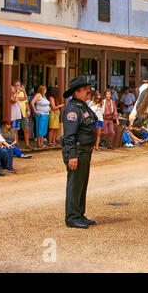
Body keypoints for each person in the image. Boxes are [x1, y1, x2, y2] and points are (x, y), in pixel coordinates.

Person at [62, 76, 98, 229]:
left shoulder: (82, 106)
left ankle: (79, 214)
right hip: (77, 151)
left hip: (85, 152)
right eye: (85, 90)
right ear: (77, 92)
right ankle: (72, 217)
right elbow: (69, 135)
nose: (88, 92)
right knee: (74, 185)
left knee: (82, 185)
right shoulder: (73, 110)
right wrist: (72, 155)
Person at [14, 81, 31, 149]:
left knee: (26, 129)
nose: (18, 87)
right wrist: (17, 92)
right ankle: (16, 143)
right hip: (16, 113)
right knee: (16, 130)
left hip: (23, 113)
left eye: (19, 85)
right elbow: (16, 99)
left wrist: (28, 111)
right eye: (16, 85)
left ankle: (27, 144)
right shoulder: (13, 93)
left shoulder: (23, 93)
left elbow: (26, 101)